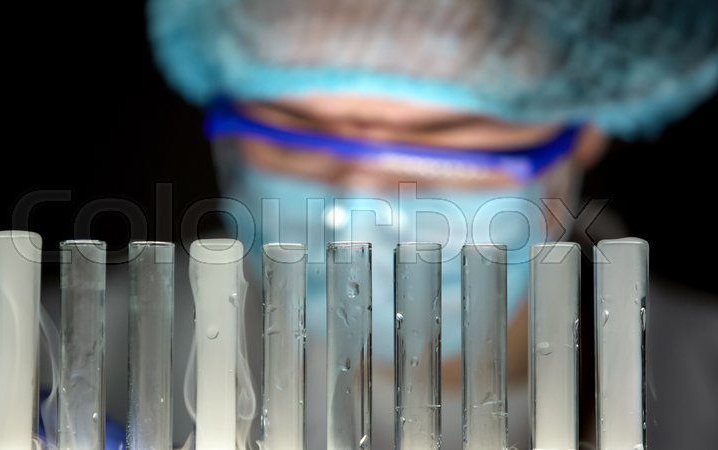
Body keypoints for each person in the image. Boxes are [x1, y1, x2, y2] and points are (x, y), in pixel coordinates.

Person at [146, 0, 718, 448]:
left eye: (441, 147)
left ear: (586, 130)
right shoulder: (86, 351)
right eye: (291, 136)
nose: (357, 206)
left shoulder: (703, 386)